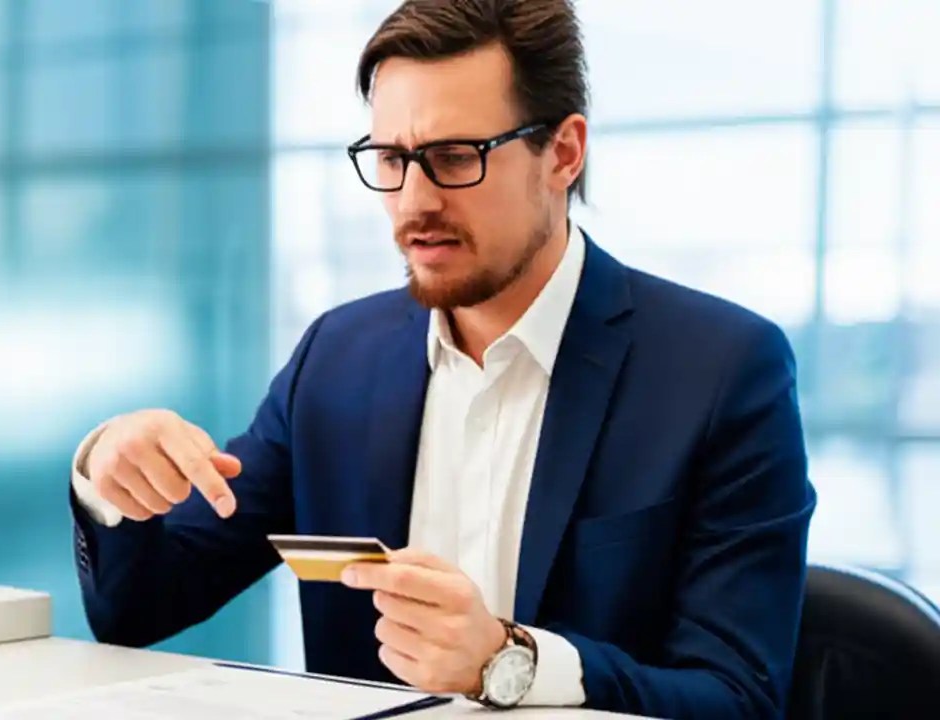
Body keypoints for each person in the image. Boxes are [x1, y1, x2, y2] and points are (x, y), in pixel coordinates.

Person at [69, 0, 816, 715]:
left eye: (455, 156)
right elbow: (139, 610)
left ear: (562, 152)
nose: (413, 200)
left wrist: (509, 660)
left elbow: (737, 698)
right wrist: (112, 476)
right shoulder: (337, 358)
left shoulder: (720, 370)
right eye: (391, 158)